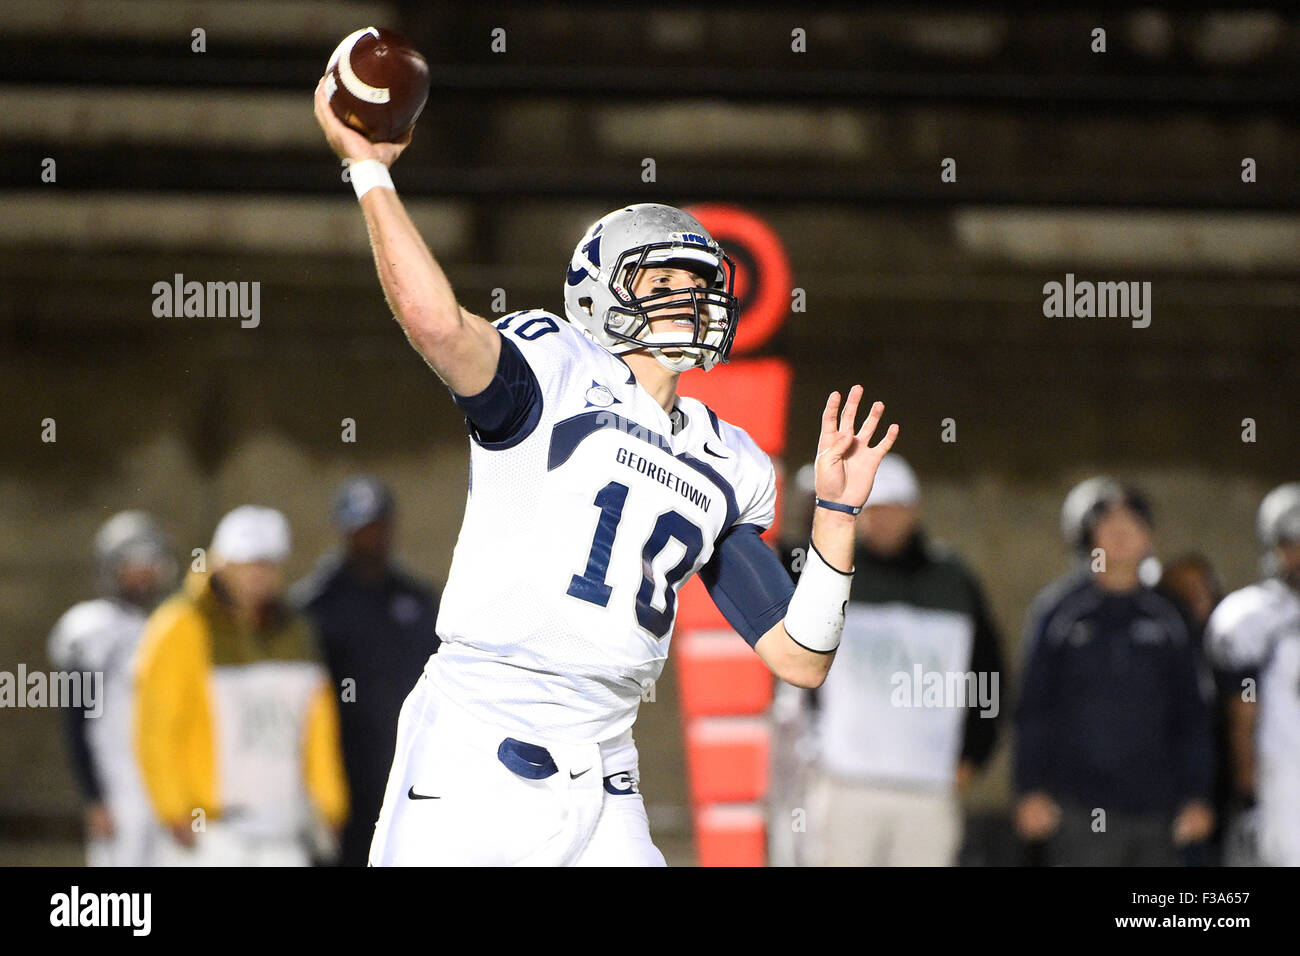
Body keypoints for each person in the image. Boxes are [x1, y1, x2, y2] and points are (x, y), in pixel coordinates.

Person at [313, 77, 899, 866]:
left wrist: (836, 513)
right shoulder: (553, 371)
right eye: (665, 283)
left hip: (606, 760)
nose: (692, 301)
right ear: (599, 294)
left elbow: (801, 656)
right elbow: (436, 325)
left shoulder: (725, 459)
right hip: (485, 737)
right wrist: (371, 171)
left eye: (700, 286)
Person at [803, 455, 1005, 866]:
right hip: (847, 781)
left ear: (914, 510)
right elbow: (805, 658)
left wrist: (973, 757)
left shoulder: (954, 580)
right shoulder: (835, 570)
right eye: (873, 509)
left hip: (928, 784)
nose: (884, 519)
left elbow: (988, 672)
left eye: (894, 507)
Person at [1014, 477, 1215, 866]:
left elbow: (1193, 714)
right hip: (1077, 808)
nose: (1121, 533)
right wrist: (1029, 789)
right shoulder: (1059, 613)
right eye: (1108, 523)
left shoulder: (1170, 616)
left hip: (1159, 812)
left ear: (1149, 536)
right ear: (1087, 536)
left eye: (1133, 523)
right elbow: (1033, 709)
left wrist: (1198, 796)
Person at [134, 506, 348, 866]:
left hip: (283, 830)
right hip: (212, 834)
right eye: (248, 563)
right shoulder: (180, 627)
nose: (258, 575)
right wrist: (172, 807)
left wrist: (329, 802)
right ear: (221, 562)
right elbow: (156, 726)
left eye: (267, 563)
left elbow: (317, 725)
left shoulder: (295, 632)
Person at [292, 476, 441, 867]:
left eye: (378, 525)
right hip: (341, 772)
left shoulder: (416, 599)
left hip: (406, 766)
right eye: (362, 528)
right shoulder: (314, 606)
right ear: (344, 530)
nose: (372, 536)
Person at [48, 511, 176, 866]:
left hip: (170, 786)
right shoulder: (89, 629)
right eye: (134, 562)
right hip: (119, 787)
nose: (144, 571)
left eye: (151, 560)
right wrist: (94, 797)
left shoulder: (174, 626)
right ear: (112, 567)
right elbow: (74, 720)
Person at [1205, 482, 1300, 866]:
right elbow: (1239, 713)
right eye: (1291, 542)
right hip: (1278, 791)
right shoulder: (1250, 617)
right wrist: (1247, 789)